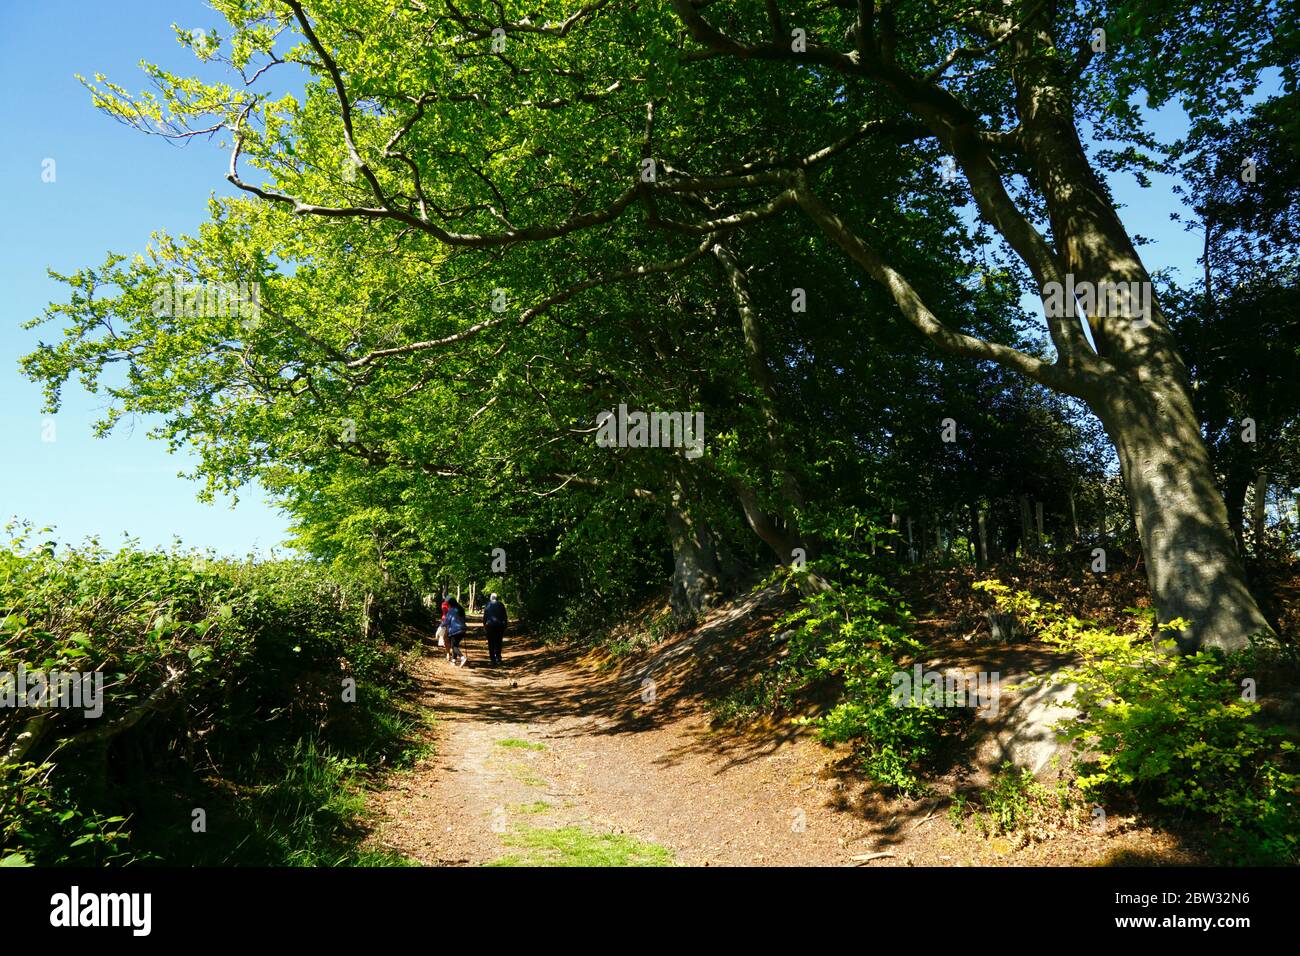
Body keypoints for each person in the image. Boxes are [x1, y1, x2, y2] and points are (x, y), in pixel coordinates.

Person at [482, 593, 508, 666]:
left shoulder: (488, 605)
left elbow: (485, 616)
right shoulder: (501, 604)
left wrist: (484, 625)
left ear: (491, 598)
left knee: (491, 643)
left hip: (490, 626)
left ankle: (492, 659)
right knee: (498, 642)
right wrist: (505, 625)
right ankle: (498, 658)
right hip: (500, 626)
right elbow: (505, 616)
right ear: (497, 598)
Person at [442, 596, 468, 667]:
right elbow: (464, 619)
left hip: (455, 630)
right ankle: (453, 660)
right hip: (462, 629)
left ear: (450, 604)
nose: (447, 605)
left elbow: (446, 621)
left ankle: (462, 658)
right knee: (455, 645)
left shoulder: (451, 610)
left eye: (447, 603)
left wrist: (441, 626)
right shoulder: (460, 609)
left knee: (453, 646)